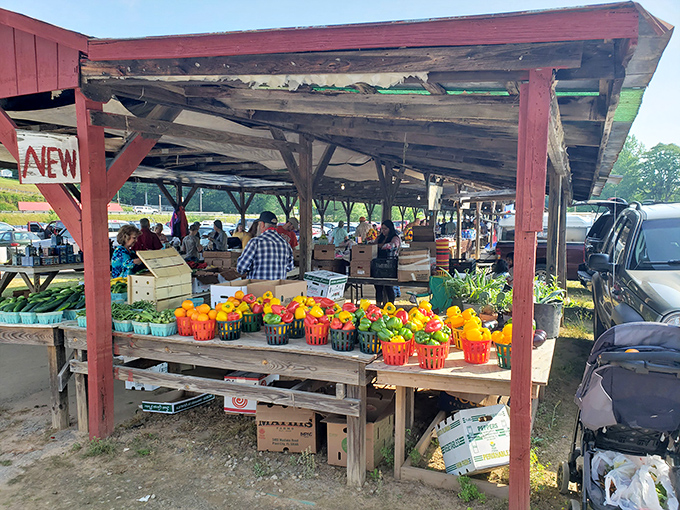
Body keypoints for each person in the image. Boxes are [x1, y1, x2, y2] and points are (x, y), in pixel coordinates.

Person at [237, 211, 293, 280]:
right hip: (277, 289)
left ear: (262, 224)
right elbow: (289, 267)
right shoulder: (285, 244)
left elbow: (241, 268)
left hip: (258, 288)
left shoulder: (255, 242)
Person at [372, 219, 401, 306]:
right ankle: (378, 304)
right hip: (378, 264)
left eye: (385, 229)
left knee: (389, 286)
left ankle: (391, 305)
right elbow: (373, 245)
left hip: (389, 264)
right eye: (382, 229)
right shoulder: (380, 237)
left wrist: (384, 246)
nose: (383, 231)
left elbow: (393, 245)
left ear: (390, 228)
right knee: (378, 286)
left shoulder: (395, 237)